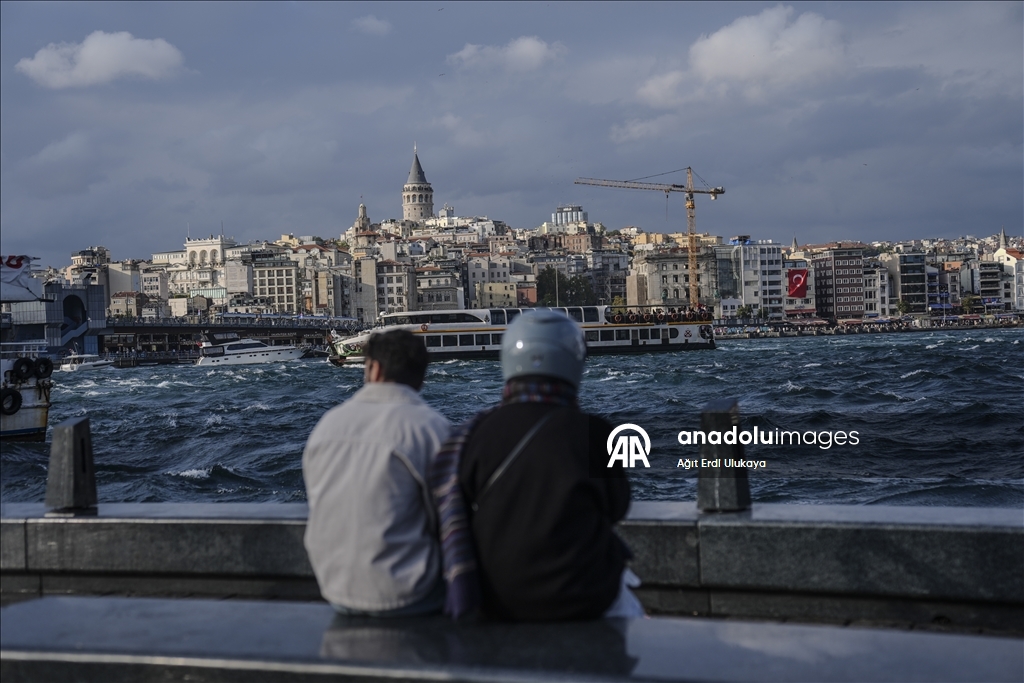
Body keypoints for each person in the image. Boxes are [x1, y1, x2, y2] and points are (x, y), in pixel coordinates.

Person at [431, 310, 641, 621]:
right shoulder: (595, 432)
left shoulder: (474, 435)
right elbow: (617, 506)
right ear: (575, 363)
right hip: (585, 595)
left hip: (497, 598)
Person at [303, 328, 450, 616]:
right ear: (421, 377)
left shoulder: (327, 425)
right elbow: (446, 517)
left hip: (335, 589)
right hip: (409, 594)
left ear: (374, 368)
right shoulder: (432, 428)